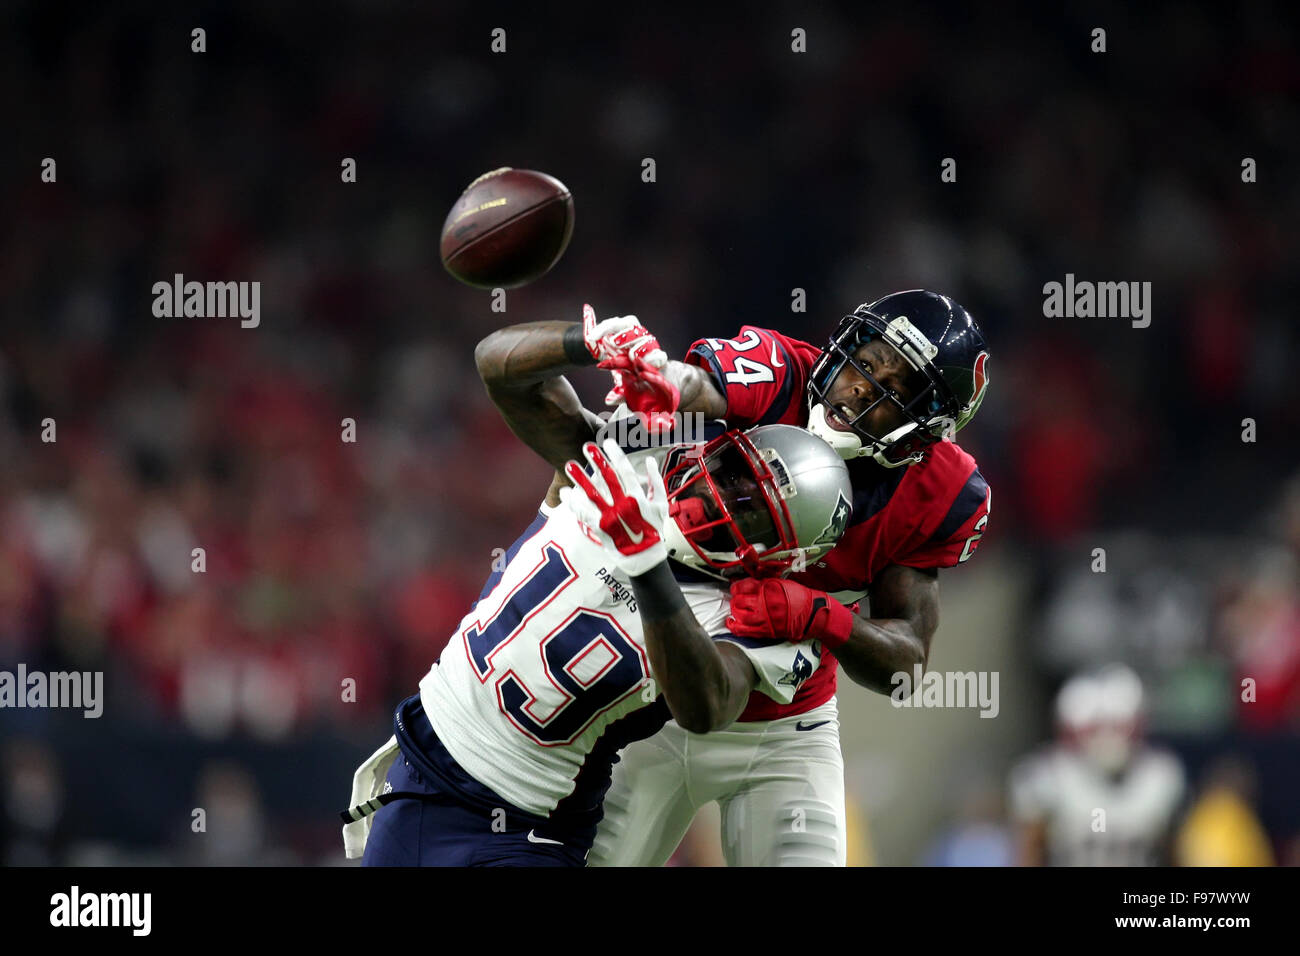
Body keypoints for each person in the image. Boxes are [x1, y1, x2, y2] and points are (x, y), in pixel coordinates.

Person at [341, 308, 853, 866]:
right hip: (421, 765)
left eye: (755, 512)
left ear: (786, 558)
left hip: (524, 827)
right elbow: (499, 368)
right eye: (734, 473)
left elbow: (706, 707)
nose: (723, 499)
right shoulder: (624, 465)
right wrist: (587, 342)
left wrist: (649, 563)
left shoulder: (761, 618)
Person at [589, 289, 993, 866]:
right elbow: (703, 387)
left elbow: (906, 666)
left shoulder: (940, 493)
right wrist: (666, 381)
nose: (859, 384)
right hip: (653, 697)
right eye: (866, 359)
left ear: (928, 427)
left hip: (785, 727)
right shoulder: (781, 372)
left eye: (896, 387)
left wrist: (819, 615)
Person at [1009, 665, 1186, 866]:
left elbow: (1174, 854)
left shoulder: (1160, 775)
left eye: (1118, 727)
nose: (1107, 739)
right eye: (1094, 729)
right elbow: (1029, 854)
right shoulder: (1046, 777)